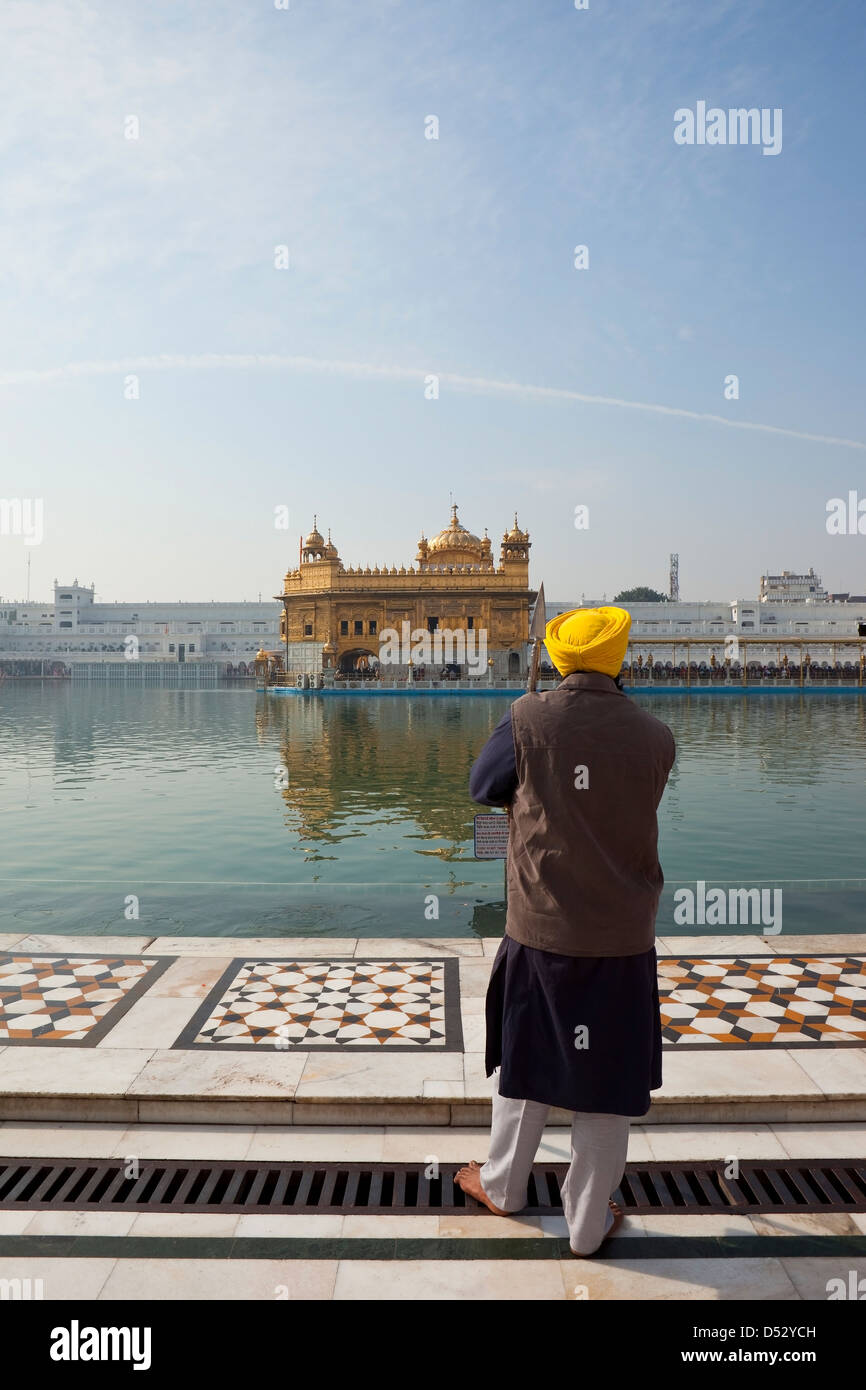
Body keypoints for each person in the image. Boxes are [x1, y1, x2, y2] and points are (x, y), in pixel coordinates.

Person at [456, 606, 675, 1256]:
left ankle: (504, 1185)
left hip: (540, 931)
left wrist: (526, 734)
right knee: (605, 1084)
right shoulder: (657, 737)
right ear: (621, 658)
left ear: (556, 658)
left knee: (525, 1061)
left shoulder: (527, 717)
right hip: (620, 940)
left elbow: (482, 788)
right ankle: (585, 1224)